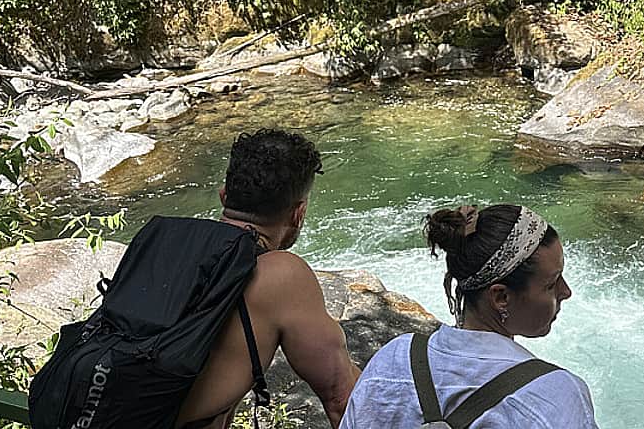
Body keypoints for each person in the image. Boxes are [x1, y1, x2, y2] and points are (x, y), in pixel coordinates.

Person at [338, 203, 598, 429]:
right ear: (501, 297)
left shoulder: (393, 360)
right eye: (551, 284)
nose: (567, 292)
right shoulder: (555, 394)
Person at [175, 129, 362, 429]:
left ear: (224, 196)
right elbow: (343, 399)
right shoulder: (281, 275)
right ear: (298, 214)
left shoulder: (170, 247)